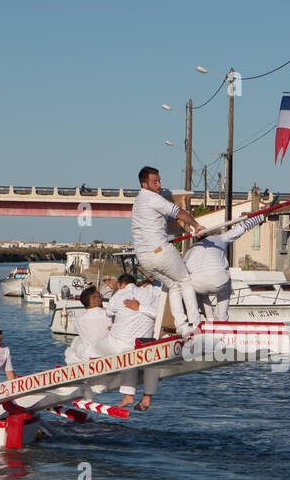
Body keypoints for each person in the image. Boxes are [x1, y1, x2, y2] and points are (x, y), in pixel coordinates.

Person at [131, 166, 203, 334]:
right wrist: (196, 225)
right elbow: (178, 212)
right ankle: (196, 323)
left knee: (173, 286)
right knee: (185, 281)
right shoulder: (153, 198)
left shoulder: (138, 201)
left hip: (143, 257)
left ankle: (182, 326)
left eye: (159, 180)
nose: (159, 185)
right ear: (144, 184)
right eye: (155, 182)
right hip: (160, 252)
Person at [184, 215, 260, 319]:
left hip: (197, 284)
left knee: (198, 290)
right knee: (225, 285)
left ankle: (209, 319)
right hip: (218, 280)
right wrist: (260, 217)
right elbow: (242, 227)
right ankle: (221, 317)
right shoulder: (220, 238)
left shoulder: (190, 249)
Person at [105, 274, 162, 410]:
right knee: (150, 360)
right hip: (145, 342)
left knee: (124, 349)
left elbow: (108, 312)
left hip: (124, 343)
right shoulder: (154, 292)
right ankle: (146, 398)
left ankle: (128, 395)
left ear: (121, 284)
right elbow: (159, 312)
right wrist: (141, 308)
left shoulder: (120, 295)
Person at [65, 286, 114, 365]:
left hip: (91, 353)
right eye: (99, 296)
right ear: (94, 300)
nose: (101, 299)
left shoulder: (78, 320)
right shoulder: (108, 314)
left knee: (77, 340)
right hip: (109, 349)